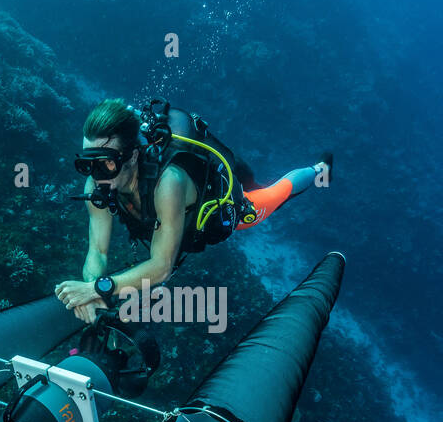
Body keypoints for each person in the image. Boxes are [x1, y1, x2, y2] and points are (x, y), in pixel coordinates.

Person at [54, 98, 332, 323]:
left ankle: (318, 170)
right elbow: (97, 252)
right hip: (171, 224)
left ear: (133, 155)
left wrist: (98, 288)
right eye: (87, 163)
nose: (97, 174)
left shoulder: (169, 183)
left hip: (220, 208)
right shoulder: (97, 180)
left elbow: (161, 267)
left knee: (271, 196)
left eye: (107, 163)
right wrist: (89, 290)